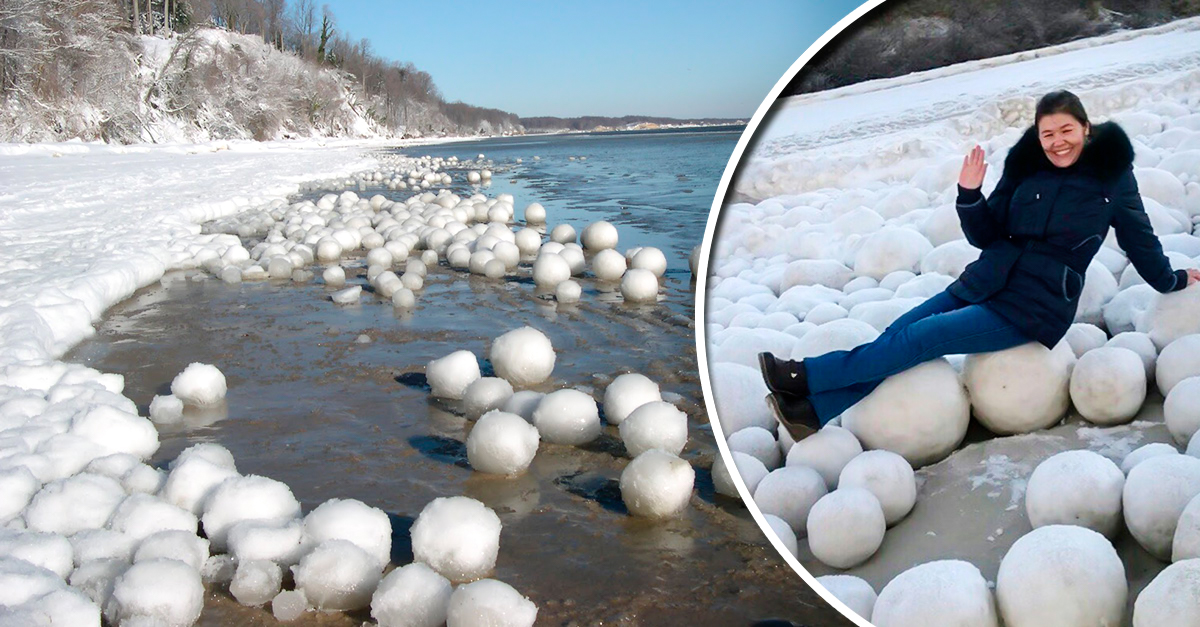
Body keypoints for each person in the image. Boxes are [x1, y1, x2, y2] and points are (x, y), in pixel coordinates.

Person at [758, 90, 1200, 439]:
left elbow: (1140, 238)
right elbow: (987, 235)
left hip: (1033, 305)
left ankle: (805, 375)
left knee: (921, 336)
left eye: (1066, 130)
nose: (1057, 142)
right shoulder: (1025, 168)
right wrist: (970, 195)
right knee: (899, 332)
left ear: (1085, 128)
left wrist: (1173, 278)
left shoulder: (1113, 178)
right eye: (1048, 135)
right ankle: (812, 412)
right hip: (985, 280)